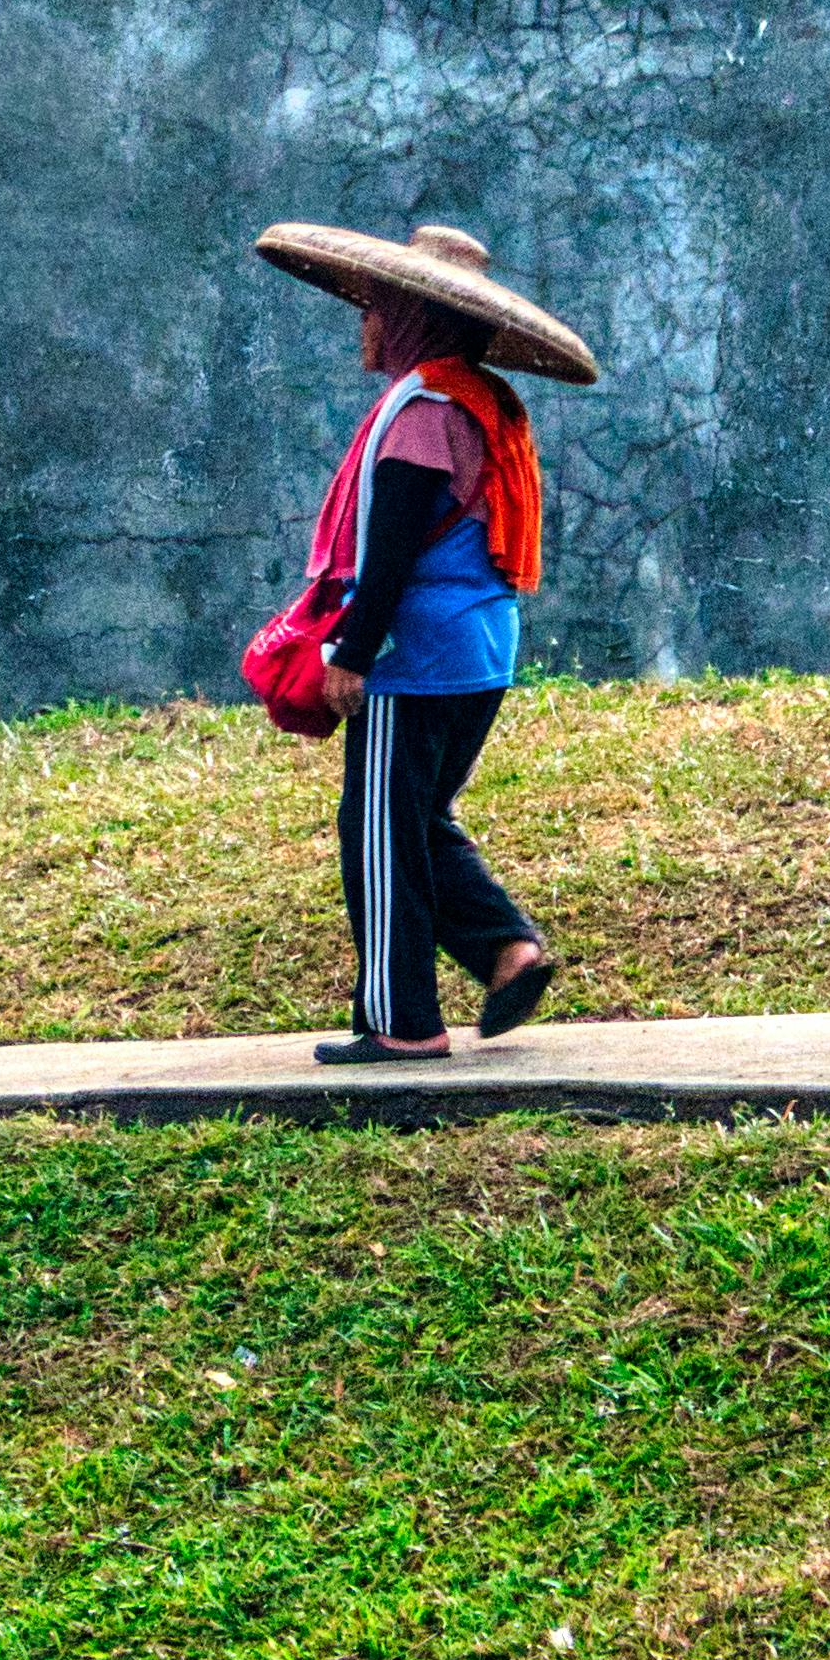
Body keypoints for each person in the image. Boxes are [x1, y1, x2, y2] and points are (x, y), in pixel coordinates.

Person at [255, 219, 599, 1066]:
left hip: (414, 656)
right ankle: (504, 949)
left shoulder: (423, 413)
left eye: (376, 309)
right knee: (412, 820)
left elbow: (392, 551)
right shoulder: (486, 402)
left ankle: (399, 1018)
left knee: (375, 831)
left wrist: (352, 653)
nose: (365, 324)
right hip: (481, 650)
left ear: (415, 316)